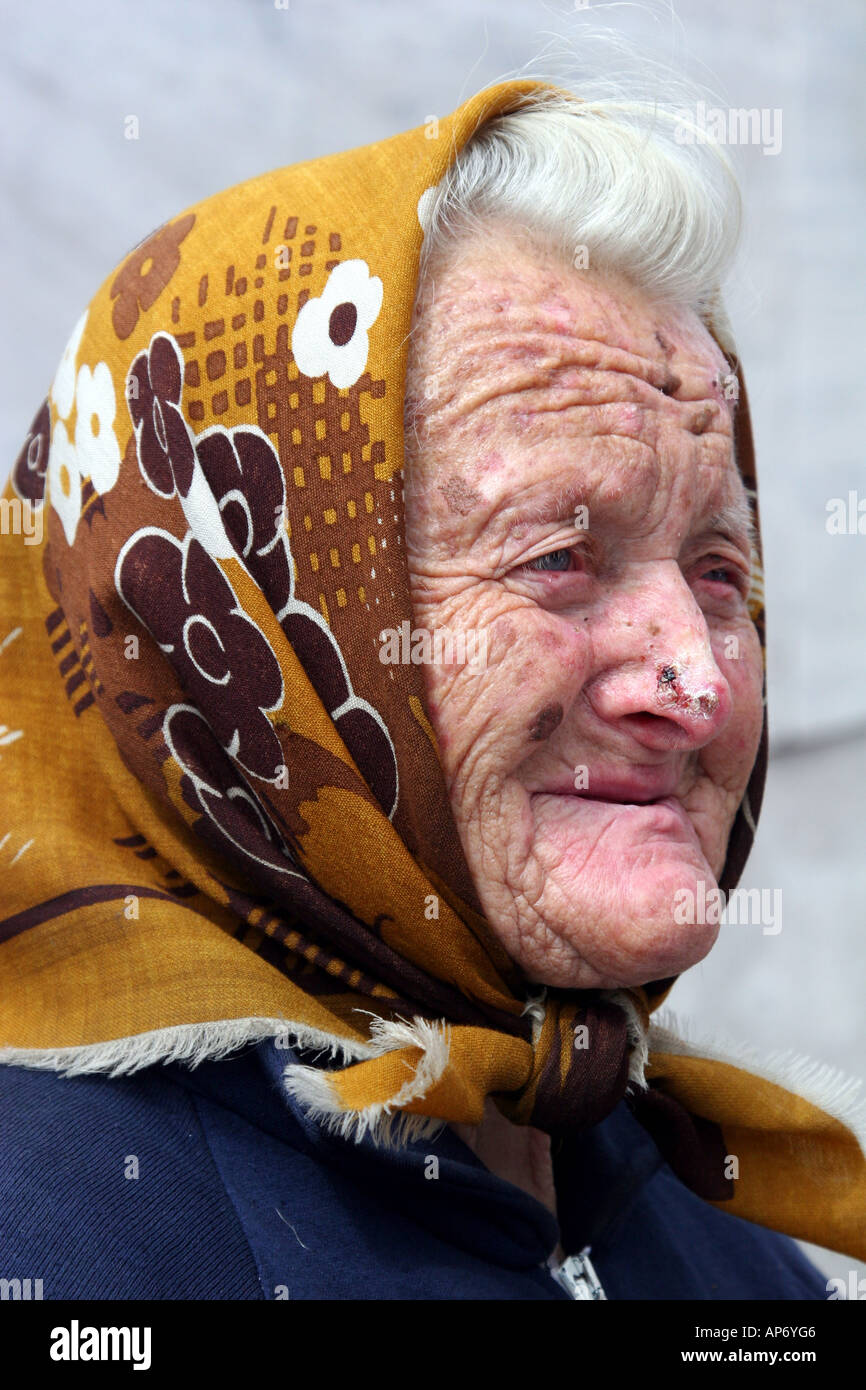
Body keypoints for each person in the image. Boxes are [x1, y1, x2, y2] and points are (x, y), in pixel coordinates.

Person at [0, 76, 862, 1301]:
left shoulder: (693, 1221)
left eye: (720, 571)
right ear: (240, 629)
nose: (697, 686)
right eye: (556, 558)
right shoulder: (59, 1248)